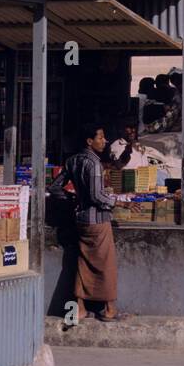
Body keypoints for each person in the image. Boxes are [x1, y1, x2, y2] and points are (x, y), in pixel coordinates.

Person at [49, 119, 120, 323]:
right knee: (106, 264)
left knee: (83, 263)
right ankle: (109, 309)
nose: (104, 141)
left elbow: (54, 188)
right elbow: (97, 196)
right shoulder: (94, 163)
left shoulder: (72, 160)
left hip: (80, 219)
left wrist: (72, 198)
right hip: (97, 219)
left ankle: (79, 308)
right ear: (90, 141)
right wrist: (117, 202)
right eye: (100, 137)